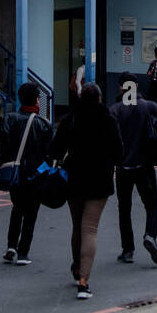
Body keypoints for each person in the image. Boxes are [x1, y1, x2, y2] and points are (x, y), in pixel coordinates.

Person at [50, 82, 123, 299]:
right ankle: (84, 282)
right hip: (100, 179)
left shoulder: (70, 118)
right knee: (90, 228)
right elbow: (119, 153)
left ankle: (76, 270)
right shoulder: (108, 119)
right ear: (100, 98)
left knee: (77, 227)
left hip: (74, 177)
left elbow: (55, 149)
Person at [110, 74, 157, 265]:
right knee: (152, 206)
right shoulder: (150, 106)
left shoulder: (115, 110)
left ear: (121, 88)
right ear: (135, 86)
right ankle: (150, 236)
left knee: (124, 209)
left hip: (122, 168)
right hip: (145, 166)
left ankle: (127, 250)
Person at [0, 83, 53, 265]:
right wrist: (43, 173)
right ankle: (23, 252)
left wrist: (6, 165)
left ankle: (11, 246)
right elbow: (49, 155)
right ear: (37, 100)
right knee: (31, 212)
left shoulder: (9, 119)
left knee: (17, 208)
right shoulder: (44, 124)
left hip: (15, 173)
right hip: (34, 175)